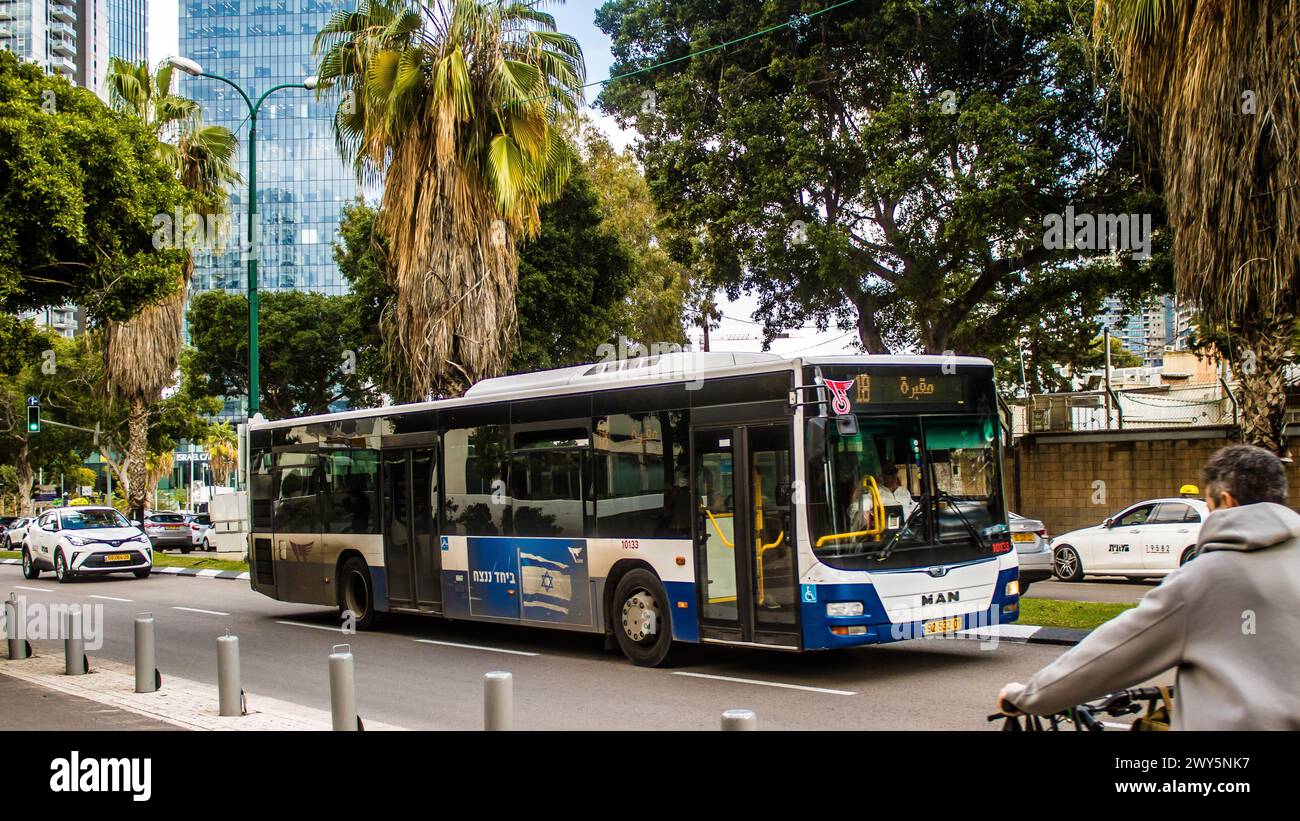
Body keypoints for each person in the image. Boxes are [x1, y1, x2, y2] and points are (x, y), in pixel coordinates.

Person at [996, 444, 1300, 729]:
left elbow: (1114, 651)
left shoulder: (1208, 577)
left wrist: (1028, 696)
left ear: (1227, 502)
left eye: (1209, 506)